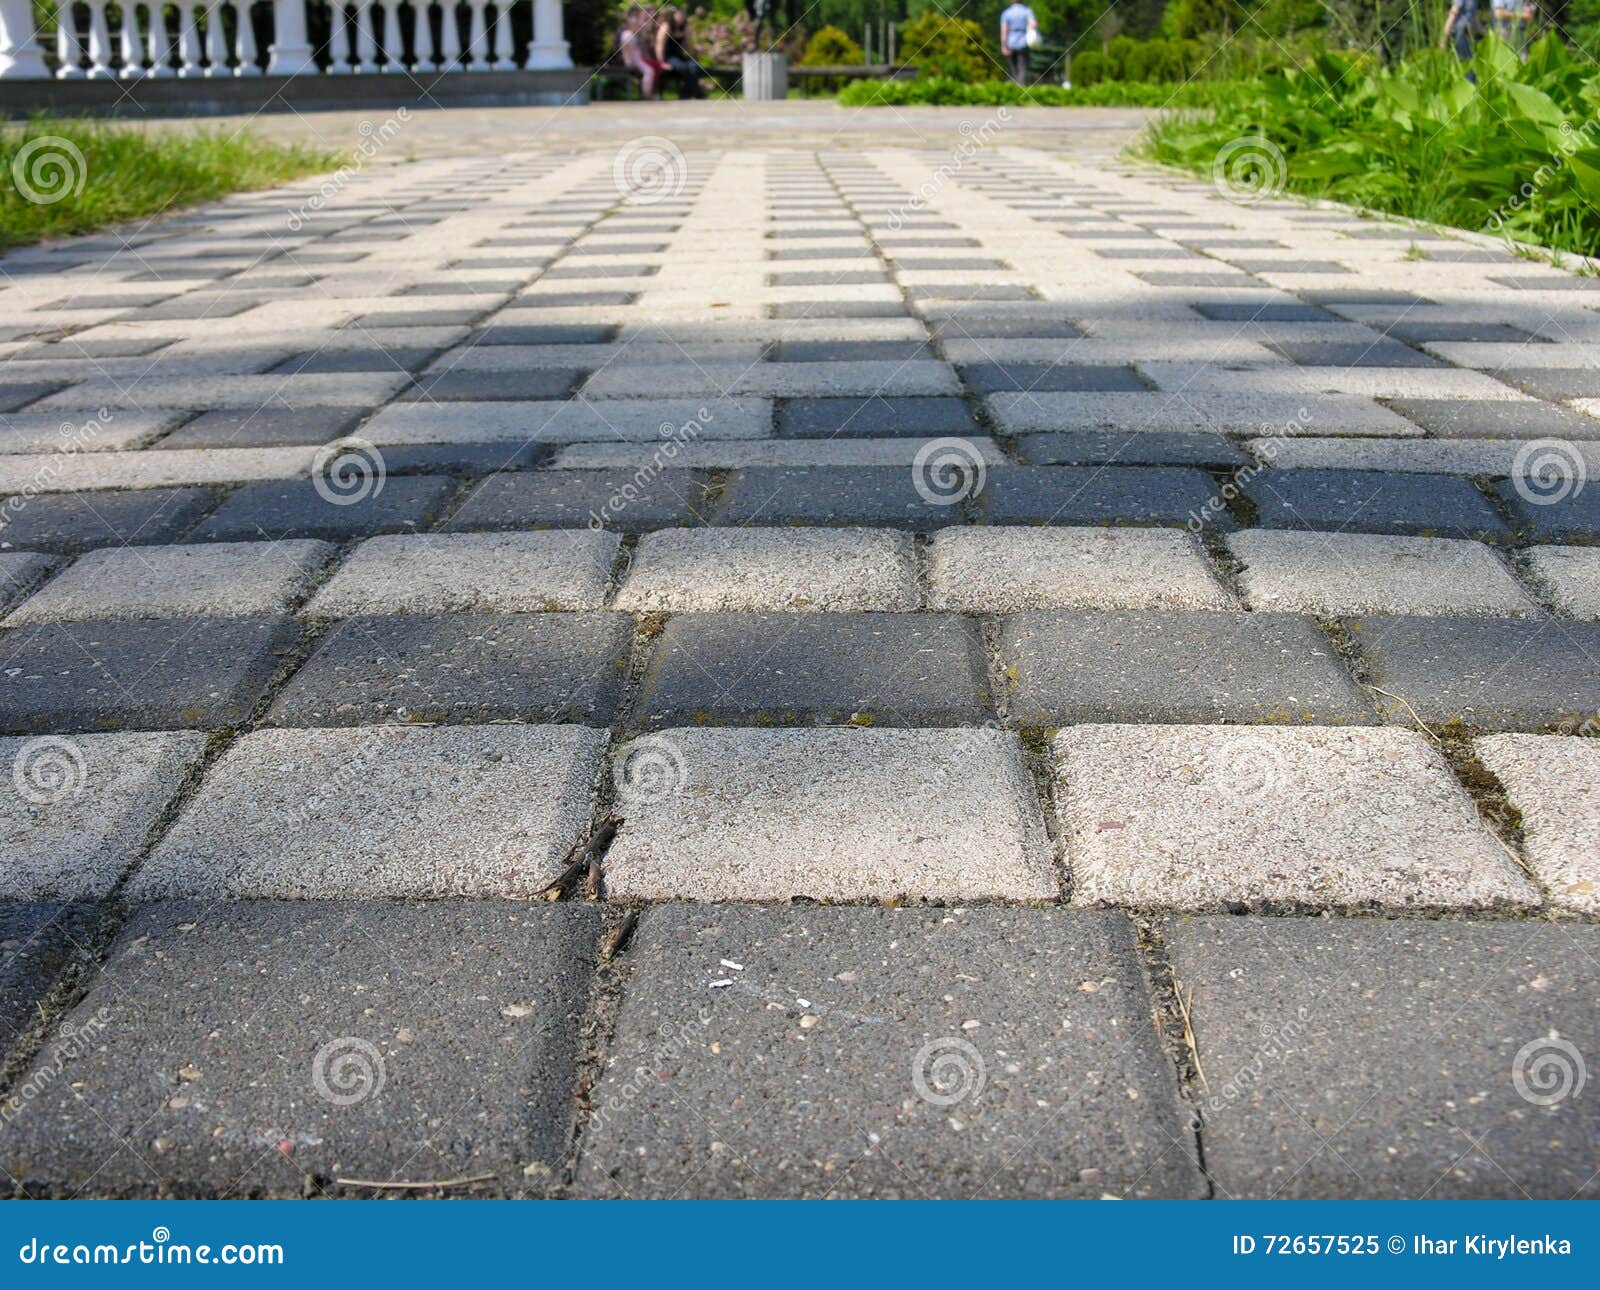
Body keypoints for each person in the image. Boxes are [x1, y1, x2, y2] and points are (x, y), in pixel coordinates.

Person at [619, 6, 669, 99]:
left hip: (639, 59)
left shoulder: (636, 33)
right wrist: (628, 61)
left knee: (654, 68)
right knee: (649, 72)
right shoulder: (626, 34)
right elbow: (625, 50)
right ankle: (647, 95)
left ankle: (651, 93)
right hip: (633, 60)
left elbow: (641, 47)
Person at [656, 7, 706, 99]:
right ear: (673, 15)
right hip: (669, 57)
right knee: (683, 68)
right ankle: (698, 93)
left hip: (679, 56)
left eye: (683, 15)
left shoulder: (685, 28)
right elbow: (660, 45)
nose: (682, 17)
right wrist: (661, 62)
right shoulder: (666, 26)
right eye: (679, 14)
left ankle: (685, 94)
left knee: (693, 66)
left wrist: (694, 57)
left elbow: (688, 45)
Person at [999, 2, 1037, 85]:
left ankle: (1015, 86)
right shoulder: (1027, 11)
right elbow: (1033, 24)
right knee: (1022, 67)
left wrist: (1003, 46)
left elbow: (1004, 31)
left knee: (1013, 69)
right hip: (1023, 43)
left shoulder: (1006, 13)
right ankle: (1021, 86)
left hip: (1010, 43)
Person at [1442, 0, 1481, 64]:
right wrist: (1444, 37)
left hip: (1468, 35)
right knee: (1467, 62)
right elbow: (1452, 15)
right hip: (1459, 33)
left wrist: (1490, 35)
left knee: (1471, 62)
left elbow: (1475, 21)